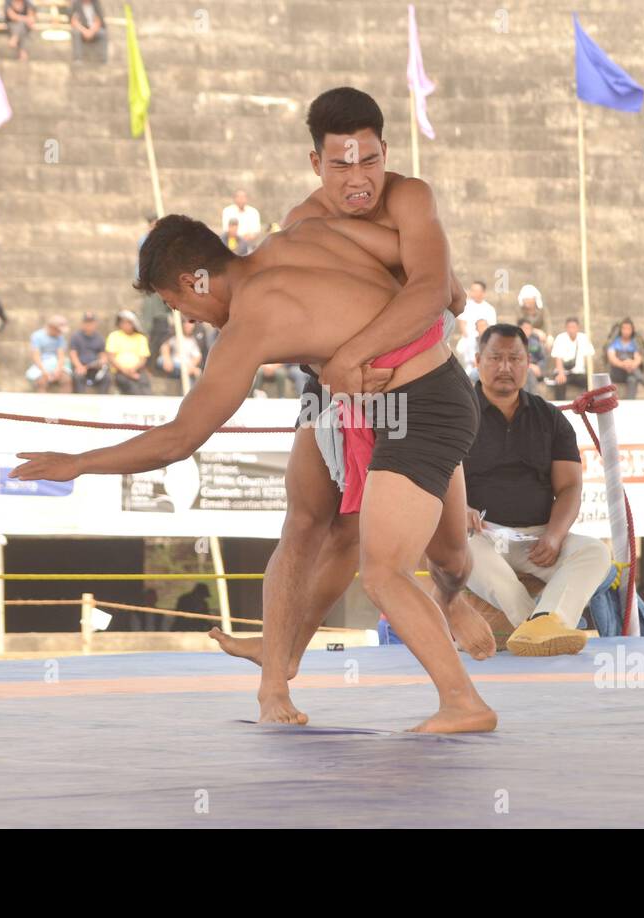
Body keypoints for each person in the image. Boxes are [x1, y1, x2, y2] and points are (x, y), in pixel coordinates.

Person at [12, 213, 495, 733]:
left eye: (180, 307)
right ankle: (278, 666)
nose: (191, 321)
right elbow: (429, 273)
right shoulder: (295, 237)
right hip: (350, 394)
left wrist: (80, 464)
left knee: (414, 565)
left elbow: (180, 440)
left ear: (193, 279)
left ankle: (462, 693)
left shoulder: (250, 322)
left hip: (422, 403)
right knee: (312, 524)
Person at [198, 87, 469, 724]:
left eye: (369, 161)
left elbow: (440, 292)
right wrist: (340, 366)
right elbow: (297, 322)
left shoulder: (411, 195)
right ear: (316, 162)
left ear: (385, 152)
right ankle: (276, 677)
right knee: (308, 524)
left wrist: (358, 352)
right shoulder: (301, 223)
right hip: (334, 396)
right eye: (342, 165)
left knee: (449, 552)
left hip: (418, 391)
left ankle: (453, 606)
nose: (359, 179)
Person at [463, 324, 612, 655]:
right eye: (496, 358)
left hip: (537, 538)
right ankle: (536, 624)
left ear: (527, 362)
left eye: (515, 358)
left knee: (596, 552)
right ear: (477, 360)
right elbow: (441, 478)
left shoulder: (549, 417)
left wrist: (555, 536)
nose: (505, 367)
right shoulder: (458, 414)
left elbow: (571, 486)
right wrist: (459, 508)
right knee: (462, 549)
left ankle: (545, 621)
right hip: (480, 537)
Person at [105, 310, 151, 394]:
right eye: (123, 322)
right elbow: (111, 357)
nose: (126, 325)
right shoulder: (114, 336)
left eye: (129, 322)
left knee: (145, 387)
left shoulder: (141, 338)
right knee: (132, 388)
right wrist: (127, 372)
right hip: (120, 372)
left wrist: (133, 370)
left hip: (137, 371)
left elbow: (143, 359)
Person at [604, 317, 644, 398]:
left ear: (632, 330)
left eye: (628, 329)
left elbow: (638, 358)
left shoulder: (635, 342)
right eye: (624, 328)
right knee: (623, 356)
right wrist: (623, 364)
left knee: (632, 379)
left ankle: (630, 402)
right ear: (620, 330)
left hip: (630, 372)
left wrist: (631, 365)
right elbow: (612, 358)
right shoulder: (615, 341)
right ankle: (643, 380)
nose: (626, 331)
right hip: (617, 372)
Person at [549, 316, 593, 399]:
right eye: (569, 327)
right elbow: (558, 357)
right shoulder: (560, 338)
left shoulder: (583, 338)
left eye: (573, 327)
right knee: (560, 382)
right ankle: (559, 407)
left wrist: (590, 373)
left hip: (579, 373)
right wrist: (561, 373)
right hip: (564, 372)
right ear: (566, 328)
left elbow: (589, 357)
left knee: (590, 382)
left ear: (578, 328)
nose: (571, 329)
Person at [26, 314, 72, 392]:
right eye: (58, 330)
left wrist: (58, 370)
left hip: (57, 365)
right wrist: (44, 371)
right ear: (51, 327)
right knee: (41, 382)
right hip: (42, 366)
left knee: (66, 380)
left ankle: (64, 402)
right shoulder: (37, 336)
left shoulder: (60, 338)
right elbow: (36, 356)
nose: (60, 333)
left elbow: (61, 356)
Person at [69, 311, 109, 393]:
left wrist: (102, 361)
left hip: (95, 368)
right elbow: (73, 354)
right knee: (78, 377)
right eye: (86, 322)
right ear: (82, 323)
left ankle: (102, 400)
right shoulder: (76, 337)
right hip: (81, 368)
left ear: (95, 324)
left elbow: (103, 355)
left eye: (91, 323)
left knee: (106, 378)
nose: (89, 325)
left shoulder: (99, 338)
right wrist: (79, 366)